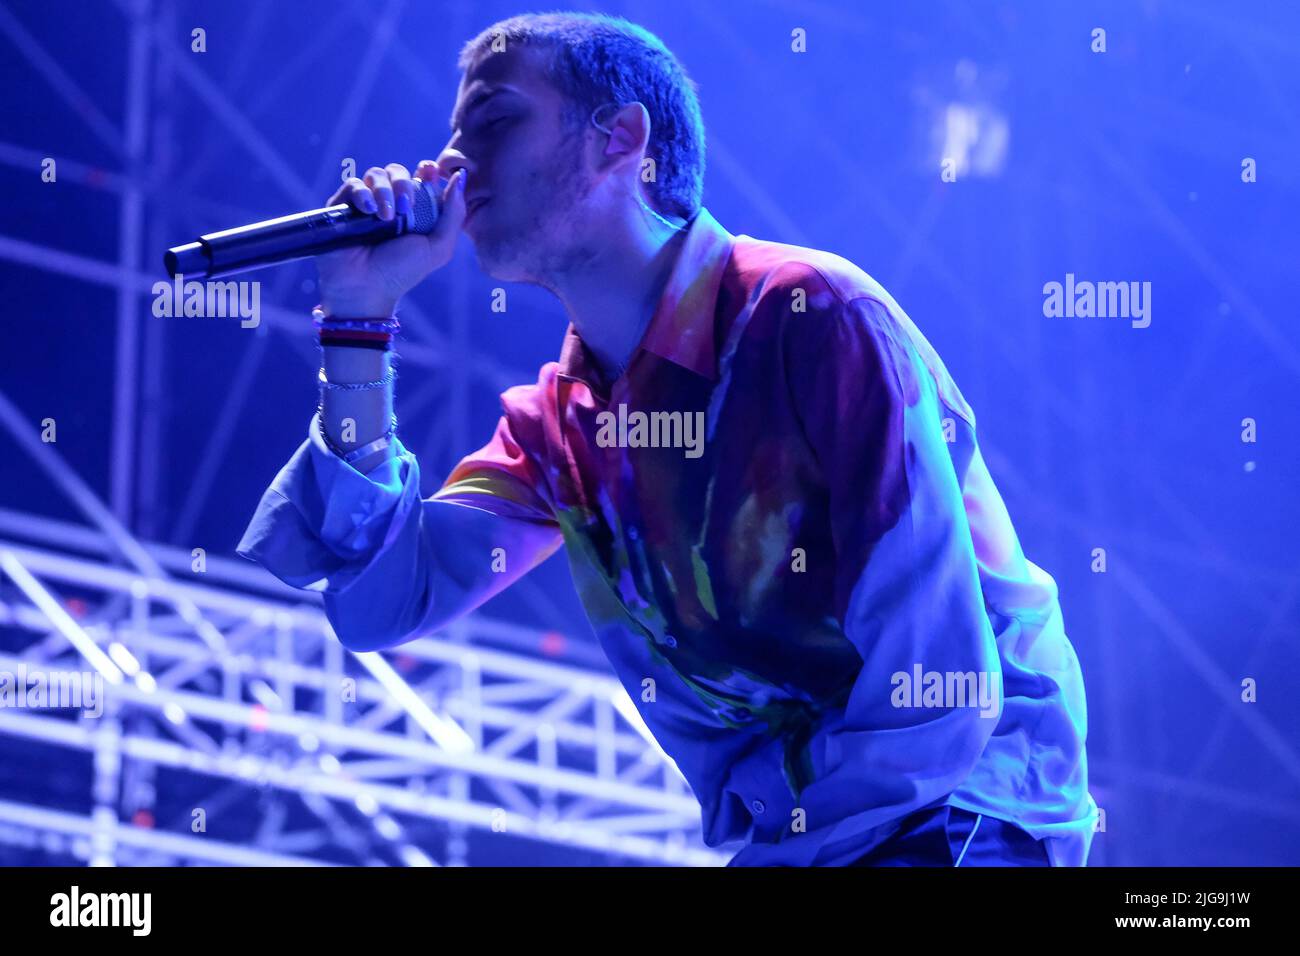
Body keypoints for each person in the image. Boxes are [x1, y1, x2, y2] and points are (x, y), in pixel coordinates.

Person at [236, 12, 1097, 867]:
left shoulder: (811, 315)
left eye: (495, 121)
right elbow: (382, 601)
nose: (455, 164)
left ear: (620, 138)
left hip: (964, 815)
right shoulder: (561, 428)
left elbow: (936, 698)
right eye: (454, 136)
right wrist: (357, 318)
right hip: (820, 835)